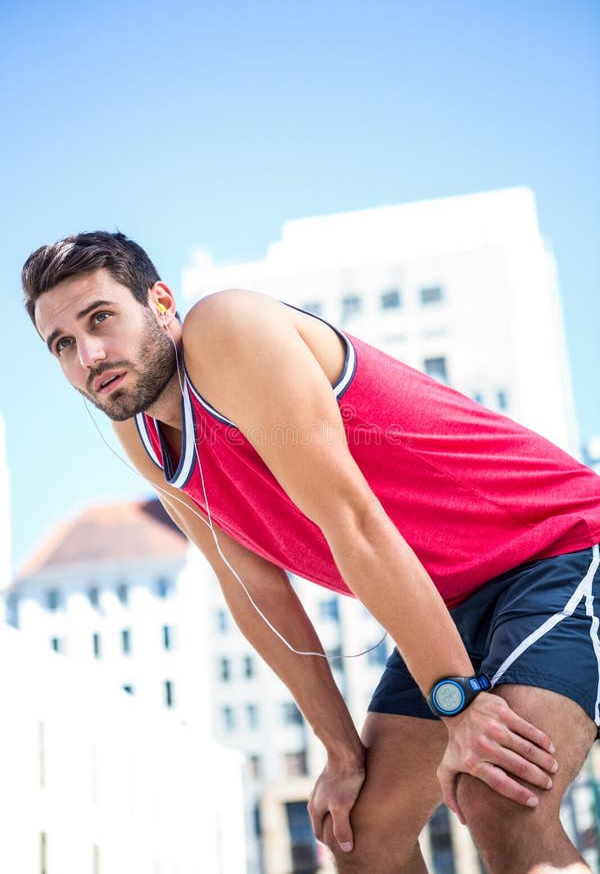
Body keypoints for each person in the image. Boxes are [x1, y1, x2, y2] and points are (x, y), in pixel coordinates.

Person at [22, 230, 600, 874]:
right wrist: (340, 750)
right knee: (360, 836)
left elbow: (350, 519)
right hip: (448, 601)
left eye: (101, 318)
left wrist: (457, 701)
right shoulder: (140, 433)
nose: (90, 355)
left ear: (160, 302)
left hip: (561, 545)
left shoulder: (226, 329)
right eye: (63, 345)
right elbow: (251, 589)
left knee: (498, 798)